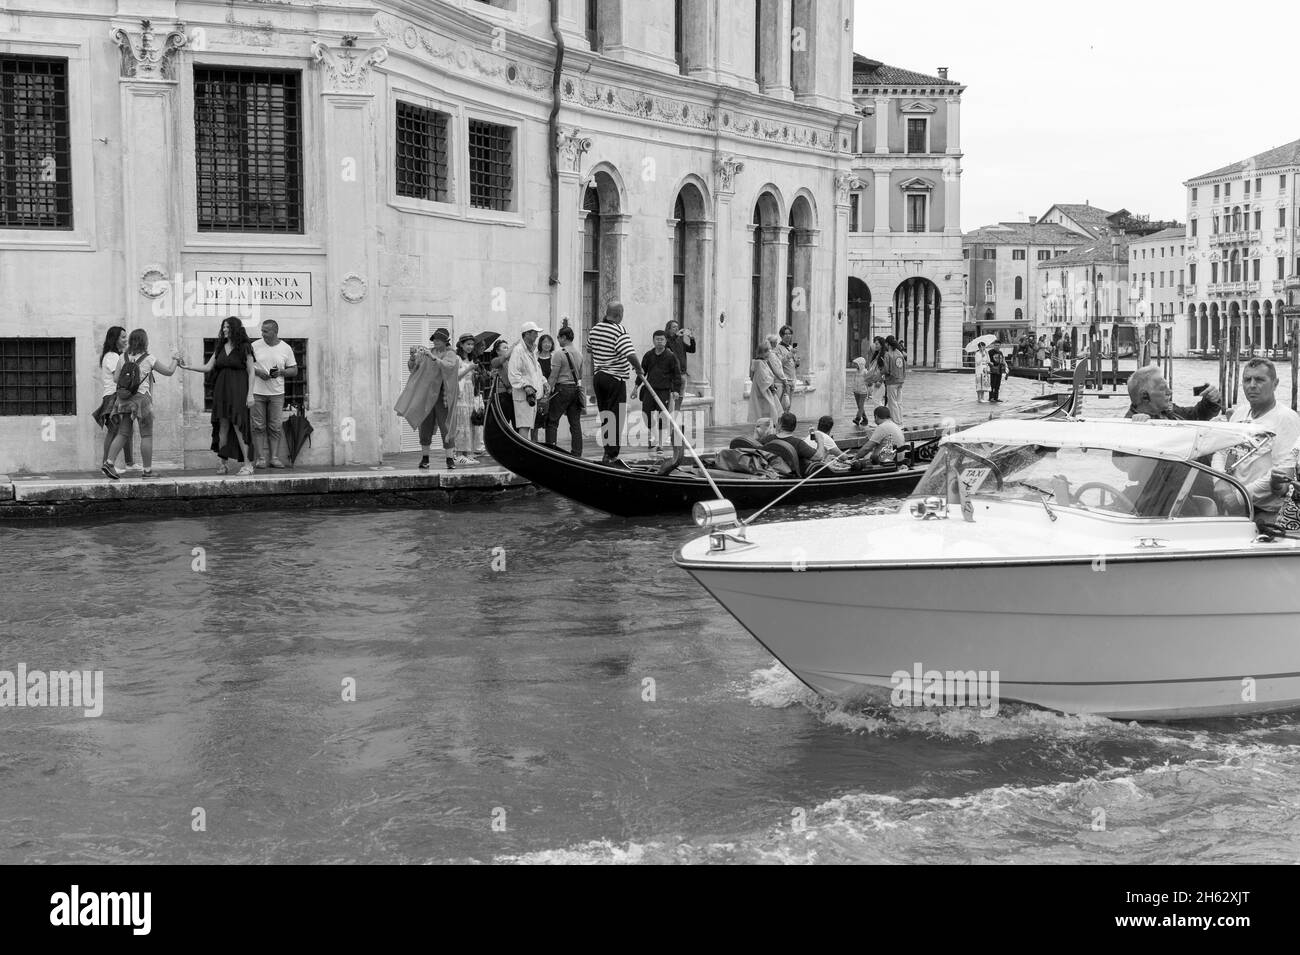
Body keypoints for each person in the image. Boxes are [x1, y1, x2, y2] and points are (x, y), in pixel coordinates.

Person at [1212, 358, 1300, 523]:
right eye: (1247, 380)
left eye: (1259, 380)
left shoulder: (1286, 418)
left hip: (1264, 513)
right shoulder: (1239, 414)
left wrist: (1239, 496)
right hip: (1231, 506)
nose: (1252, 385)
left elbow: (1282, 471)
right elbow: (1221, 451)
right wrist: (1219, 482)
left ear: (1275, 383)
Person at [178, 316, 256, 475]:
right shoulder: (220, 346)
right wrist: (188, 367)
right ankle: (223, 464)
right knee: (223, 427)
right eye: (224, 327)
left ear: (235, 328)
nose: (225, 329)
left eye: (228, 327)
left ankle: (248, 465)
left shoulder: (245, 346)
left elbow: (251, 371)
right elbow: (208, 367)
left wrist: (250, 394)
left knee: (239, 426)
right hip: (222, 391)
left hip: (239, 390)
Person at [101, 329, 179, 480]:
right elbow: (169, 371)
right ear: (145, 341)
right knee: (146, 435)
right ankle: (147, 471)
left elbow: (116, 378)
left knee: (123, 433)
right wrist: (175, 358)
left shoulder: (123, 357)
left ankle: (109, 462)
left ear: (130, 341)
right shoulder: (149, 359)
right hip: (142, 400)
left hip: (124, 400)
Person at [588, 303, 645, 468]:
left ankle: (607, 452)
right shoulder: (619, 330)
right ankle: (611, 455)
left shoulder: (594, 329)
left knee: (606, 415)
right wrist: (639, 369)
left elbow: (590, 349)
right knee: (616, 417)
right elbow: (630, 354)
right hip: (614, 378)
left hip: (598, 377)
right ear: (620, 314)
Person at [406, 328, 461, 470]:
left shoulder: (450, 354)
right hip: (428, 395)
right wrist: (412, 357)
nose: (435, 341)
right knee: (425, 426)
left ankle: (450, 459)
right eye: (434, 339)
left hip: (443, 397)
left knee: (446, 427)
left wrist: (433, 357)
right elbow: (413, 368)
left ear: (445, 341)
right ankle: (425, 459)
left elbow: (449, 367)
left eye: (438, 339)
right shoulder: (429, 352)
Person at [250, 319, 298, 469]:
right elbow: (245, 365)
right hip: (257, 392)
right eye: (262, 331)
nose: (262, 334)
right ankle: (260, 458)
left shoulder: (286, 348)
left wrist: (281, 372)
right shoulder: (254, 346)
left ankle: (275, 458)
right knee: (258, 426)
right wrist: (258, 372)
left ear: (275, 332)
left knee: (275, 426)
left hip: (277, 393)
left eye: (266, 331)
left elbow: (294, 370)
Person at [95, 326, 137, 472]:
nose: (126, 340)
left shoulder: (116, 356)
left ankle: (129, 463)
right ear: (115, 339)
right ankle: (106, 465)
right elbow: (119, 377)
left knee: (126, 429)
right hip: (113, 396)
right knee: (114, 431)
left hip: (117, 396)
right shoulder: (112, 357)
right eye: (123, 337)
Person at [639, 330, 683, 451]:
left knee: (662, 417)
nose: (659, 341)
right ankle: (654, 436)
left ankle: (660, 444)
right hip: (649, 390)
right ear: (653, 341)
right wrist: (635, 388)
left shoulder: (670, 356)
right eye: (657, 339)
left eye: (662, 339)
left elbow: (676, 375)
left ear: (665, 341)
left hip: (664, 390)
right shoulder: (648, 355)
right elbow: (642, 372)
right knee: (645, 413)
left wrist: (676, 390)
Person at [545, 324, 585, 456]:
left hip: (562, 389)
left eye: (558, 337)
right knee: (575, 424)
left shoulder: (559, 354)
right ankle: (577, 453)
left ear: (564, 337)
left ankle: (551, 451)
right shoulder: (579, 354)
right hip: (575, 389)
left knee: (552, 421)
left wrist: (547, 393)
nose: (557, 340)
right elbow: (580, 375)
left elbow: (553, 375)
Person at [1126, 366, 1221, 420]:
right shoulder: (1129, 424)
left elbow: (1196, 415)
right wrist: (1138, 425)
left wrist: (1211, 402)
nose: (1170, 392)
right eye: (1163, 388)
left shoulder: (1169, 411)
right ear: (1145, 396)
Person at [508, 321, 547, 439]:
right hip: (524, 395)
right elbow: (514, 373)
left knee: (528, 425)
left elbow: (537, 371)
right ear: (526, 334)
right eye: (534, 333)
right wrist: (525, 386)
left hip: (532, 395)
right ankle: (523, 454)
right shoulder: (518, 350)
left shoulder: (531, 351)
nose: (536, 336)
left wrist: (544, 382)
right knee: (524, 426)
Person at [453, 333, 479, 467]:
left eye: (472, 344)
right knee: (461, 421)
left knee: (469, 422)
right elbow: (455, 377)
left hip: (470, 392)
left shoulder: (471, 358)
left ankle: (469, 453)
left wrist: (475, 374)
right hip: (461, 393)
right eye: (468, 344)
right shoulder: (457, 358)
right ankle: (458, 454)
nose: (470, 347)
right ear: (461, 345)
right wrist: (469, 368)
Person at [762, 411, 816, 476]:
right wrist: (820, 440)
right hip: (791, 478)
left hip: (769, 475)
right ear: (794, 427)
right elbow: (818, 457)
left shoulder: (767, 439)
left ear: (780, 424)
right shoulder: (799, 443)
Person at [749, 341, 782, 424]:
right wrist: (771, 385)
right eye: (767, 351)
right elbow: (764, 379)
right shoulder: (760, 363)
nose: (769, 353)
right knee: (769, 412)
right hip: (764, 392)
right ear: (762, 352)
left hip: (767, 391)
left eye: (769, 350)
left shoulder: (763, 362)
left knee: (772, 412)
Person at [532, 333, 556, 443]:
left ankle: (549, 443)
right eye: (545, 342)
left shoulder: (554, 357)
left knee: (549, 419)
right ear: (540, 344)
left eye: (549, 342)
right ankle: (534, 442)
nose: (547, 345)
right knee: (535, 419)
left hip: (550, 393)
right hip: (537, 391)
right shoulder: (534, 356)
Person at [488, 338, 515, 430]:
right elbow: (504, 357)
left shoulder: (512, 361)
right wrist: (514, 346)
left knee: (516, 423)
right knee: (503, 422)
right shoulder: (495, 360)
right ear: (497, 351)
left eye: (508, 347)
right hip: (502, 395)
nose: (507, 349)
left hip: (513, 394)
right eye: (505, 348)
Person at [664, 321, 696, 396]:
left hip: (683, 374)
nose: (677, 328)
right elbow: (667, 346)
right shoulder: (666, 340)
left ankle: (678, 408)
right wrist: (675, 336)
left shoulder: (680, 341)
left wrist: (691, 338)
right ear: (668, 329)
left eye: (677, 327)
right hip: (672, 375)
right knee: (671, 397)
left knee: (680, 396)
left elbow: (692, 350)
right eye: (674, 327)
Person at [883, 335, 907, 426]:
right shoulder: (900, 353)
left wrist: (883, 376)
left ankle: (895, 422)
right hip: (900, 380)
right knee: (899, 402)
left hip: (891, 381)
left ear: (887, 344)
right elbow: (904, 367)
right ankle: (900, 421)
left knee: (892, 402)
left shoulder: (888, 354)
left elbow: (886, 369)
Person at [774, 325, 799, 411]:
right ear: (781, 335)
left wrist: (797, 361)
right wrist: (789, 355)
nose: (788, 336)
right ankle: (782, 423)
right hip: (784, 381)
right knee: (783, 405)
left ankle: (787, 423)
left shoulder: (791, 347)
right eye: (786, 334)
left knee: (788, 406)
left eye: (790, 334)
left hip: (792, 379)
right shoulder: (778, 348)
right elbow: (779, 363)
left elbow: (794, 365)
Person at [850, 357, 872, 427]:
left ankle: (857, 419)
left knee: (861, 405)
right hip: (856, 391)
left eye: (857, 364)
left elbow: (869, 381)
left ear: (861, 364)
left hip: (863, 391)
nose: (855, 366)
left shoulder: (865, 372)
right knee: (860, 406)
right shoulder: (856, 371)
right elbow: (854, 380)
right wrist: (853, 388)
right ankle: (865, 419)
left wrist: (869, 392)